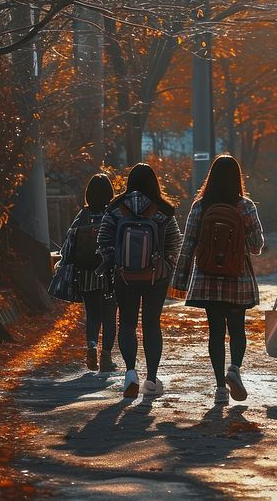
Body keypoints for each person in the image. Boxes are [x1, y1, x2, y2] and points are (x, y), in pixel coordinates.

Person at [173, 155, 265, 404]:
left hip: (207, 279)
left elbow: (188, 245)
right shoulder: (245, 206)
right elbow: (256, 245)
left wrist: (180, 282)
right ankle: (234, 369)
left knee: (215, 332)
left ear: (211, 177)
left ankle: (220, 389)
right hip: (238, 279)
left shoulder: (200, 206)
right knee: (237, 329)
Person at [97, 163, 182, 399]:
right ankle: (152, 380)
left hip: (124, 276)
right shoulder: (163, 210)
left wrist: (116, 263)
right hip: (156, 277)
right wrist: (165, 266)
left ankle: (130, 373)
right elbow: (174, 243)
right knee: (152, 324)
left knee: (127, 323)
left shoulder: (116, 208)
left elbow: (103, 240)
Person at [61, 173, 118, 372]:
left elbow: (70, 240)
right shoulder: (113, 214)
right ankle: (106, 358)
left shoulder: (83, 215)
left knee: (93, 315)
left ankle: (92, 346)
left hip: (86, 272)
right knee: (110, 316)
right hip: (109, 272)